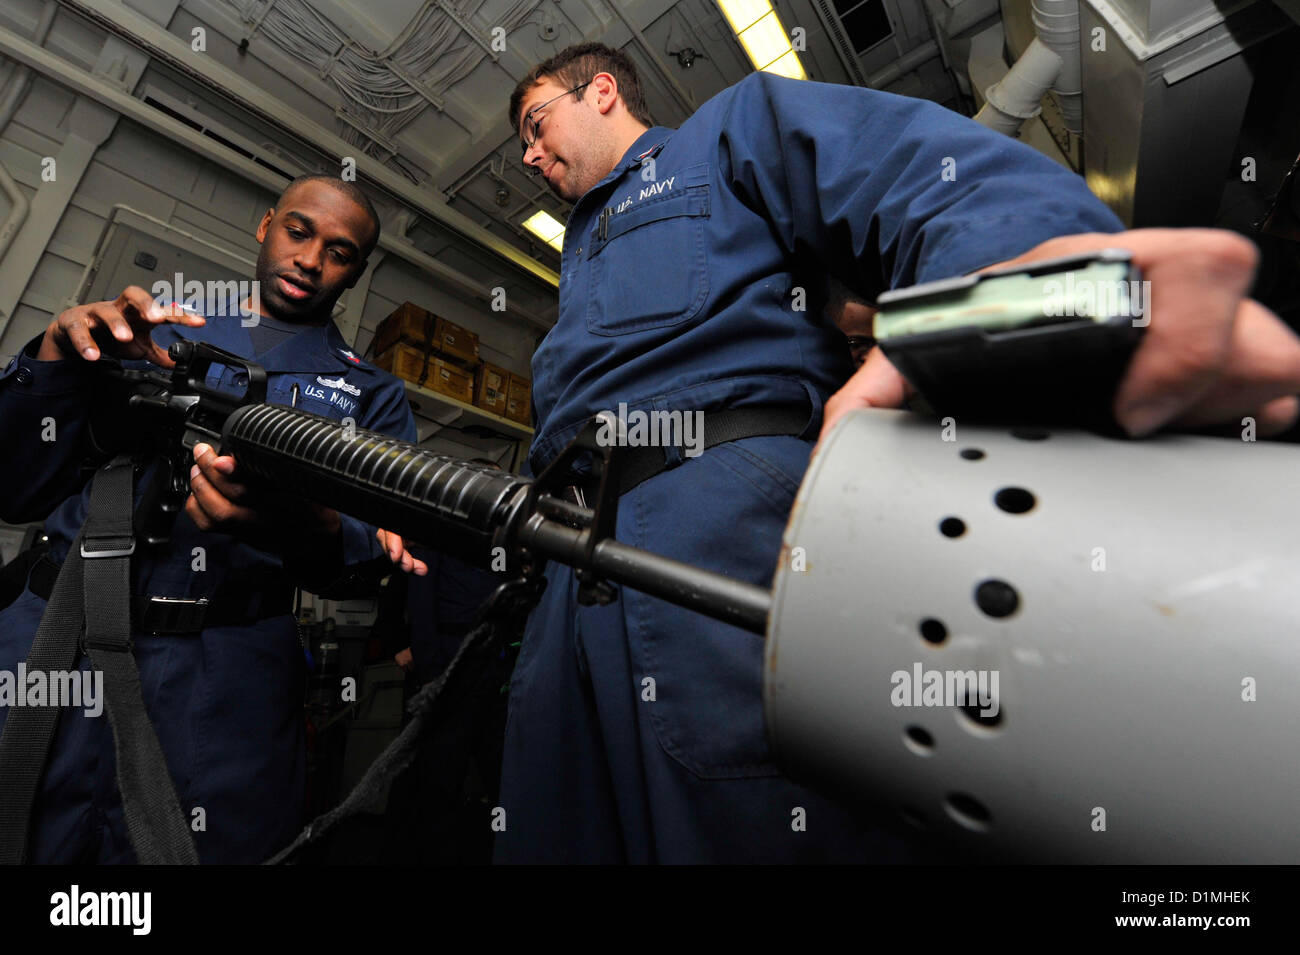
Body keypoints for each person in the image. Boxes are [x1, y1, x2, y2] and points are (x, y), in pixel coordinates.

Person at [377, 44, 1300, 862]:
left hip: (718, 528)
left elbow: (916, 168)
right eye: (525, 149)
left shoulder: (728, 133)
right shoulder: (577, 254)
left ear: (604, 90)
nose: (531, 158)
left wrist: (1030, 286)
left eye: (538, 125)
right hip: (564, 575)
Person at [0, 174, 417, 863]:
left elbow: (377, 556)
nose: (311, 259)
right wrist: (50, 362)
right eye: (299, 230)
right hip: (55, 632)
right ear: (266, 225)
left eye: (339, 252)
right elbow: (15, 490)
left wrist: (302, 524)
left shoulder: (371, 396)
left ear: (356, 271)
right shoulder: (157, 326)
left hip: (224, 675)